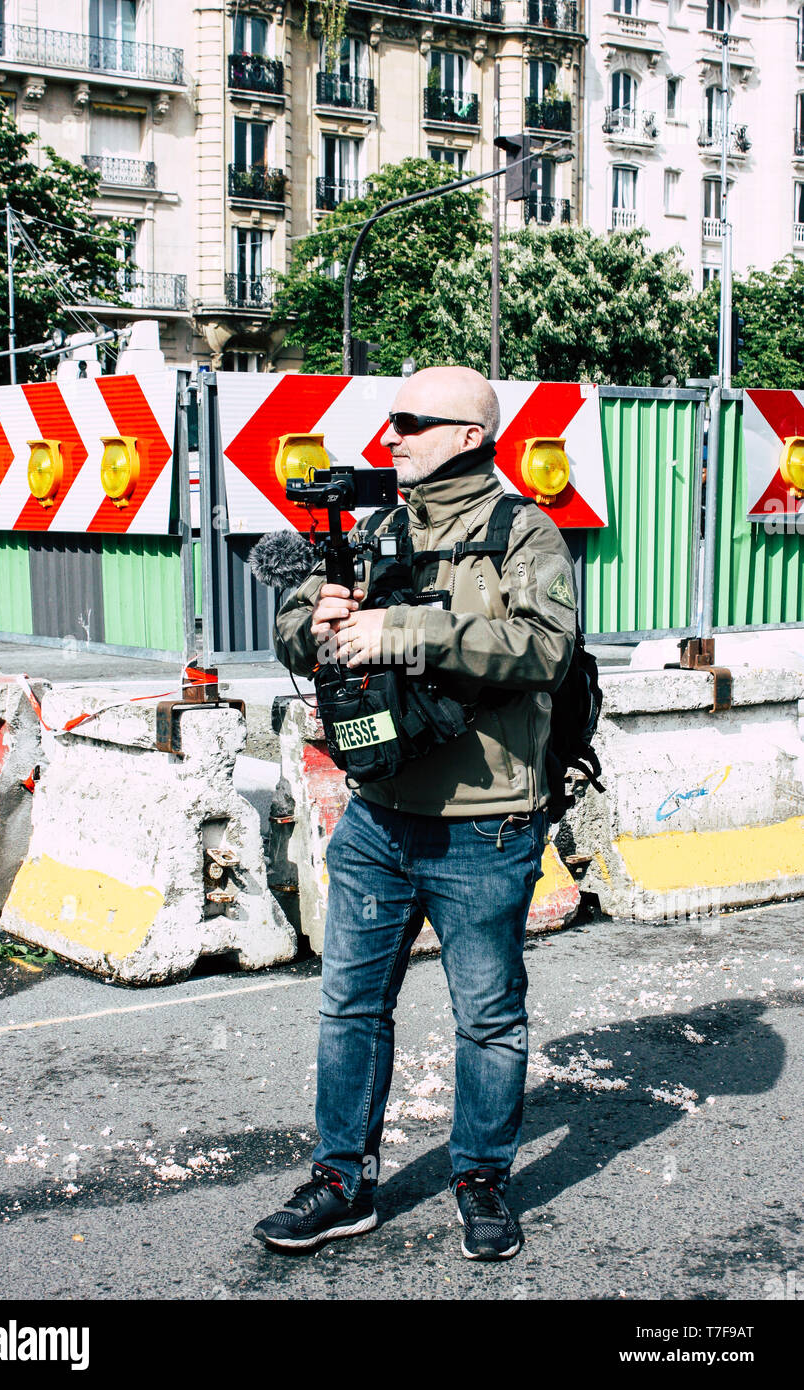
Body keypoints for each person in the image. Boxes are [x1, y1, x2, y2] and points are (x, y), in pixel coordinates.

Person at [253, 365, 577, 1260]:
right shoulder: (379, 526)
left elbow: (546, 648)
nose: (389, 436)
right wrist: (313, 618)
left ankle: (480, 1179)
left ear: (470, 435)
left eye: (410, 421)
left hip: (487, 820)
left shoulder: (524, 533)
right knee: (350, 1005)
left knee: (488, 1016)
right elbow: (295, 632)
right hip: (378, 817)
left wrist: (411, 631)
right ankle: (341, 1180)